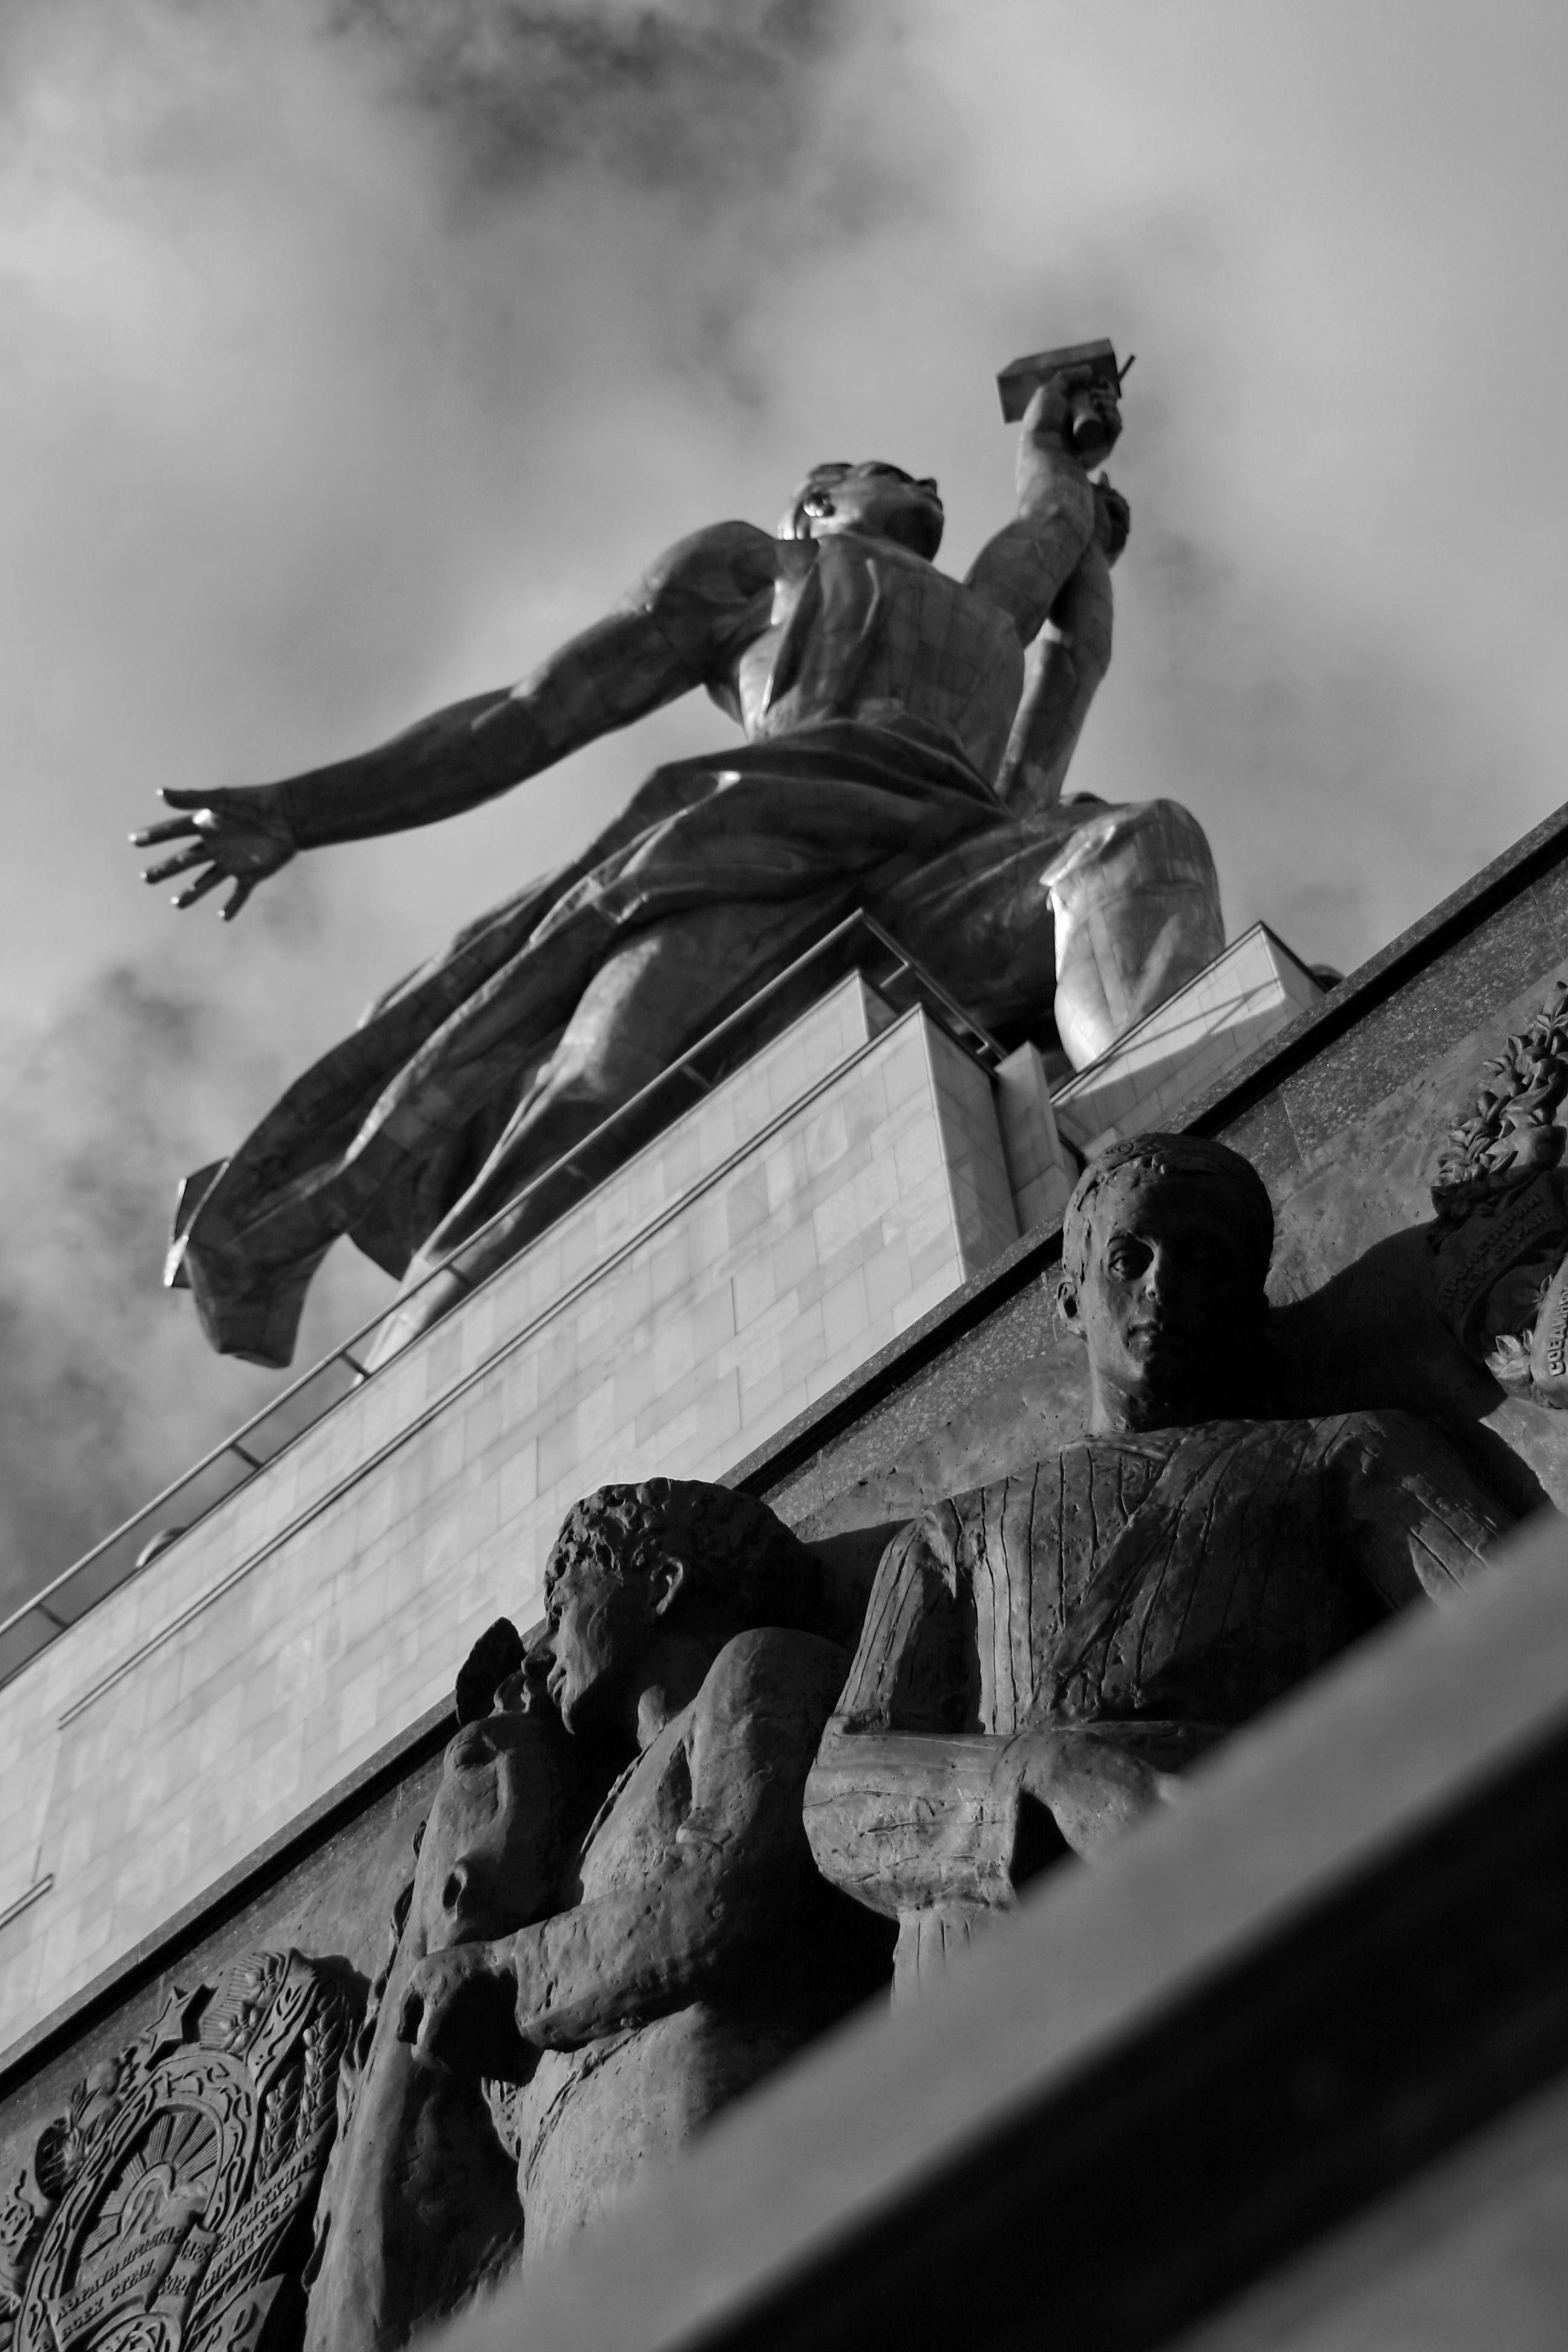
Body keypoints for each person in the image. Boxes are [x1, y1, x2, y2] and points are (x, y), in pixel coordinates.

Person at [132, 368, 1223, 1368]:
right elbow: (524, 719)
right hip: (751, 860)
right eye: (889, 472)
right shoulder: (761, 569)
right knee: (598, 1098)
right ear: (819, 505)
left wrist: (1055, 441)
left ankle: (1199, 1152)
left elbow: (1051, 546)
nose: (930, 483)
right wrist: (299, 811)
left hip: (945, 870)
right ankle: (424, 1371)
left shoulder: (986, 618)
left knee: (1134, 847)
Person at [803, 1133, 1516, 1996]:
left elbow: (1521, 1643)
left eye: (1206, 1260)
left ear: (1254, 1305)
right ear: (1070, 1301)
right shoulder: (951, 1534)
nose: (1163, 1285)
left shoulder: (1344, 1456)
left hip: (1260, 1922)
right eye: (1129, 1256)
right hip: (984, 1999)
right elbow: (840, 1793)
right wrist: (1038, 1778)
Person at [394, 1480, 889, 2268]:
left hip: (728, 2198)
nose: (545, 1649)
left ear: (661, 1585)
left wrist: (502, 1973)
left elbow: (722, 1892)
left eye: (562, 1607)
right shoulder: (591, 1845)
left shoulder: (759, 1670)